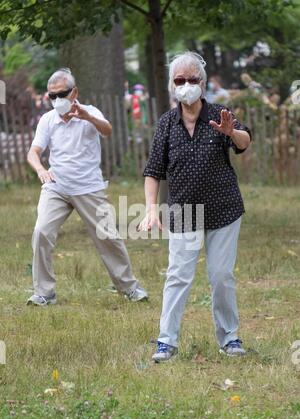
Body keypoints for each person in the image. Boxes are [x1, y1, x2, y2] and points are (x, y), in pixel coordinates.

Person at [139, 52, 251, 362]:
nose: (186, 85)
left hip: (223, 208)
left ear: (202, 82)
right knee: (178, 275)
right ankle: (167, 341)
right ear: (172, 85)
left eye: (192, 79)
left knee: (221, 275)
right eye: (179, 80)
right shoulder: (167, 123)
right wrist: (151, 209)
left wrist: (231, 132)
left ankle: (230, 338)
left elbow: (244, 142)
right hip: (184, 211)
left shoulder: (219, 114)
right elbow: (153, 171)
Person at [27, 68, 148, 306]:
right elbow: (34, 151)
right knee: (41, 232)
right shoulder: (47, 120)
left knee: (108, 237)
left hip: (88, 187)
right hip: (56, 187)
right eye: (52, 96)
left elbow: (108, 130)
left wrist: (87, 117)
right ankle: (44, 293)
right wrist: (41, 169)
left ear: (75, 92)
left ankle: (130, 288)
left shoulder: (90, 112)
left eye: (62, 94)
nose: (57, 100)